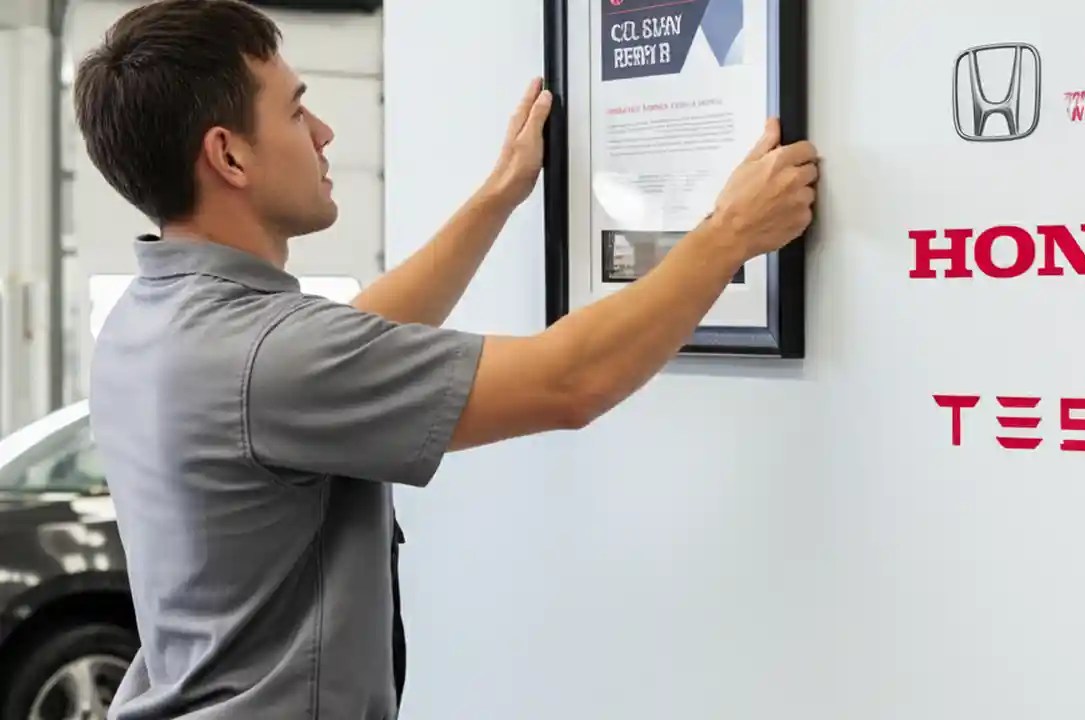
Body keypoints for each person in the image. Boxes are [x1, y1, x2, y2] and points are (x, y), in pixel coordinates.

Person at [75, 0, 819, 718]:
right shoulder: (267, 357)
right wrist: (729, 235)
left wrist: (498, 196)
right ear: (228, 154)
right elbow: (570, 382)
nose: (325, 132)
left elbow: (351, 346)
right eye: (297, 111)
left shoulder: (149, 324)